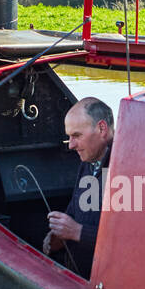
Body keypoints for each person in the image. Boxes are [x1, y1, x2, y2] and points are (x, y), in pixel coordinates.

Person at [45, 96, 114, 278]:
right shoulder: (89, 161)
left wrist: (77, 232)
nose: (71, 145)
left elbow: (133, 242)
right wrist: (58, 234)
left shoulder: (128, 168)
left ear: (101, 129)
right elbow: (76, 210)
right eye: (69, 137)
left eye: (76, 136)